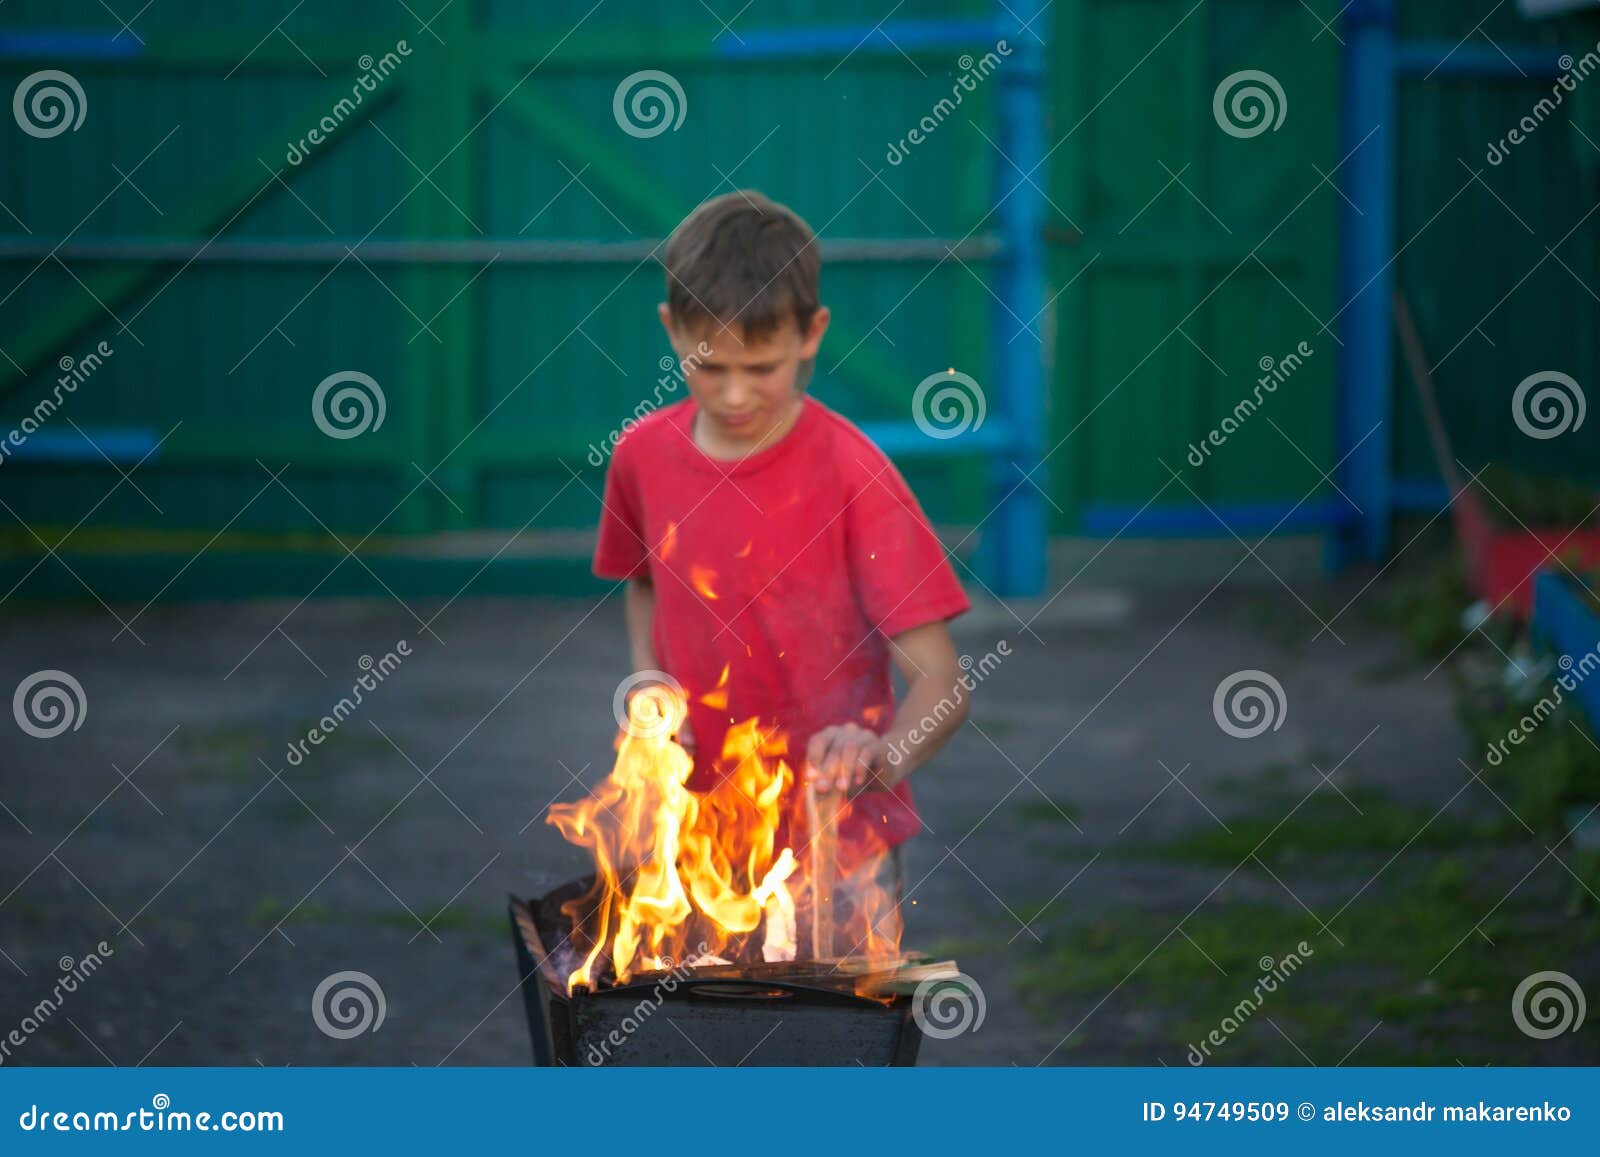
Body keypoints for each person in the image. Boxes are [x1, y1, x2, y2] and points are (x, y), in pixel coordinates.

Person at [591, 190, 972, 947]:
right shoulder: (639, 456)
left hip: (838, 849)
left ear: (812, 333)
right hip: (691, 832)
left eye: (761, 366)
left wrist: (882, 754)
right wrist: (649, 683)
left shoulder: (855, 475)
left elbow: (942, 684)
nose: (735, 394)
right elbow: (644, 584)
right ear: (672, 331)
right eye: (711, 366)